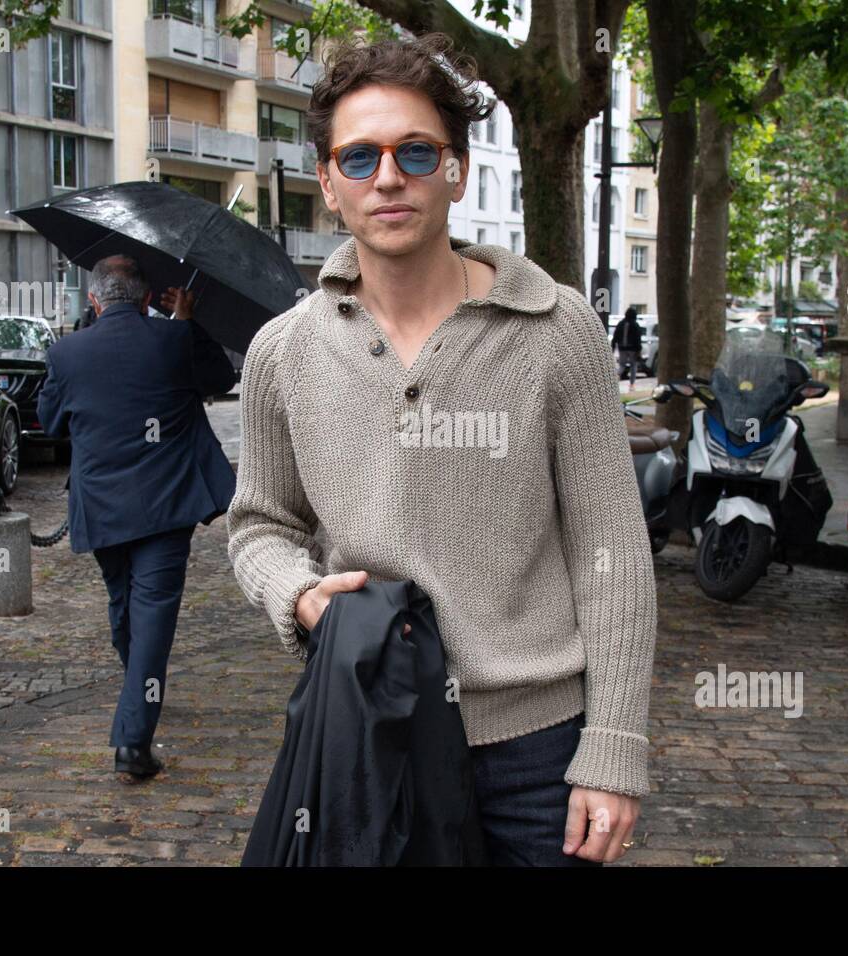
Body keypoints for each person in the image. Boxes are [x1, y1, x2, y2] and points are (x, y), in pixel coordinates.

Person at [225, 34, 656, 866]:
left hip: (540, 755)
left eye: (415, 151)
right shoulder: (283, 352)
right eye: (359, 157)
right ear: (328, 182)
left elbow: (613, 551)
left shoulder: (556, 330)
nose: (388, 177)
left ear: (455, 170)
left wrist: (614, 746)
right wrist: (300, 596)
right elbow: (258, 524)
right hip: (368, 729)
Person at [36, 255, 237, 779]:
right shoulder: (174, 340)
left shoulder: (66, 352)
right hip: (166, 504)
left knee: (126, 603)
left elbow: (51, 420)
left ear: (95, 301)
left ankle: (136, 711)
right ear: (149, 299)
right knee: (149, 614)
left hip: (102, 507)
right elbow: (220, 377)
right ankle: (133, 735)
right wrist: (188, 322)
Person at [612, 305, 643, 391]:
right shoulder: (635, 325)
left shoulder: (621, 324)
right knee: (633, 366)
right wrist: (639, 349)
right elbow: (638, 338)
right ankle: (632, 385)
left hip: (622, 348)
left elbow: (615, 336)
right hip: (633, 349)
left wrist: (613, 347)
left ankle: (614, 380)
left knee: (622, 366)